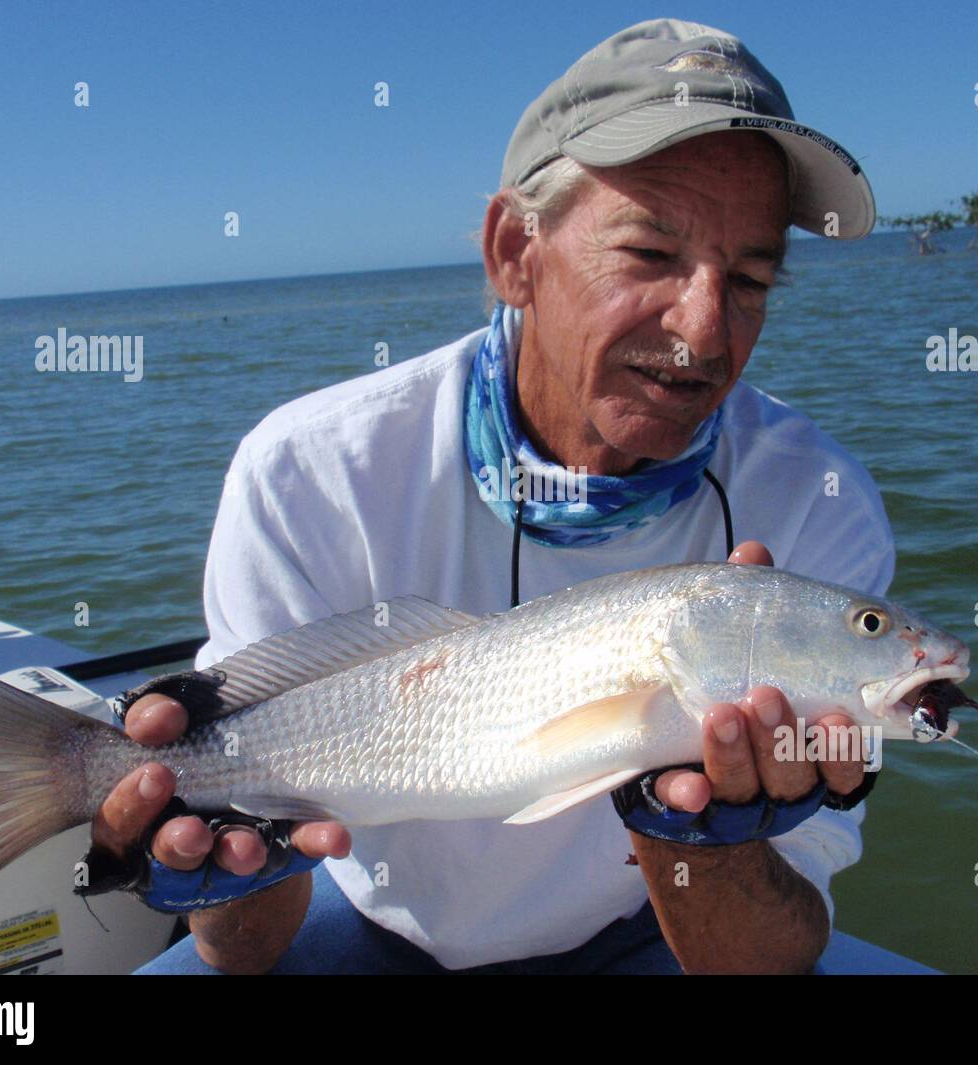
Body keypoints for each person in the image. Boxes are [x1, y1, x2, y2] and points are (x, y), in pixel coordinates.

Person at [90, 18, 893, 974]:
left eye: (752, 277)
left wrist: (700, 838)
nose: (706, 329)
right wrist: (224, 872)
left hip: (651, 932)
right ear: (516, 249)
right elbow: (247, 950)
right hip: (367, 922)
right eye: (647, 254)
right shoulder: (310, 471)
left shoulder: (818, 501)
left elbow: (763, 962)